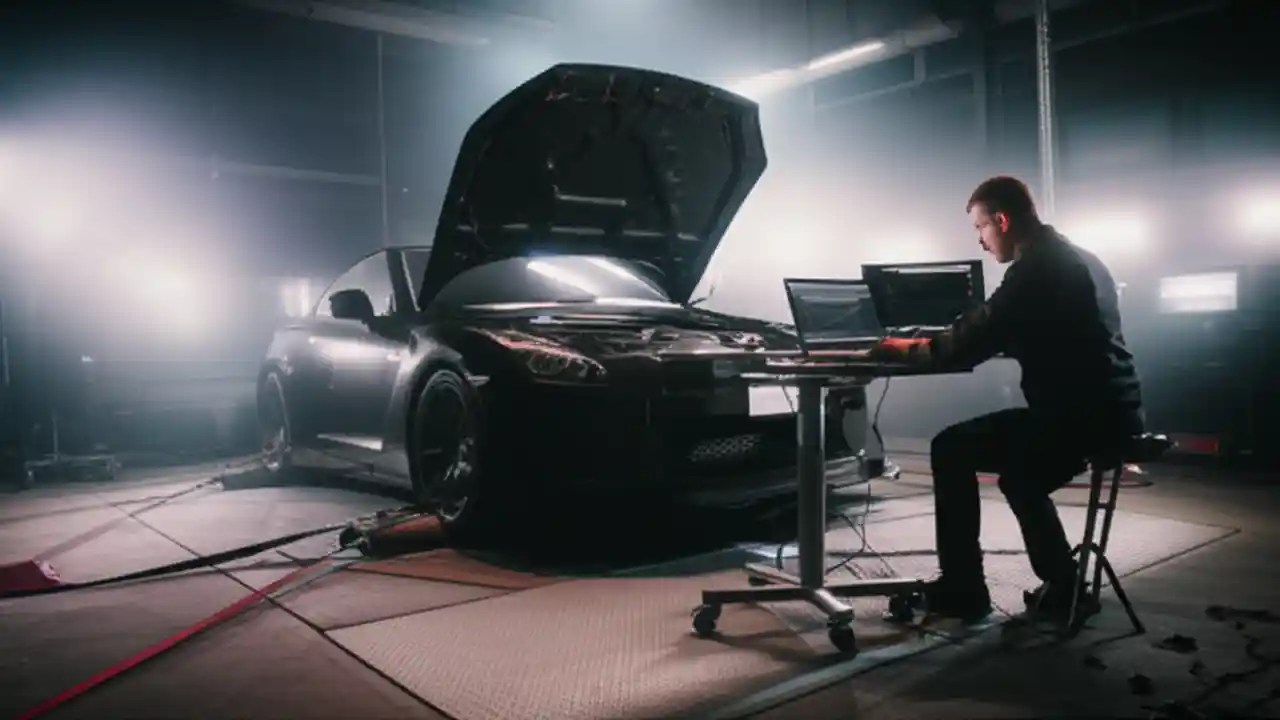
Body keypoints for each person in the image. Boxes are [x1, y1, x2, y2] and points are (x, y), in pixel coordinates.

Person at [870, 176, 1144, 622]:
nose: (980, 241)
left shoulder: (1036, 269)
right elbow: (1055, 331)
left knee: (949, 447)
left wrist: (901, 348)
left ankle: (963, 590)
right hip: (1117, 413)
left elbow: (967, 344)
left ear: (1001, 220)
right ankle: (1064, 586)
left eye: (980, 228)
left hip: (1076, 419)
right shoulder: (1081, 258)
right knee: (1021, 477)